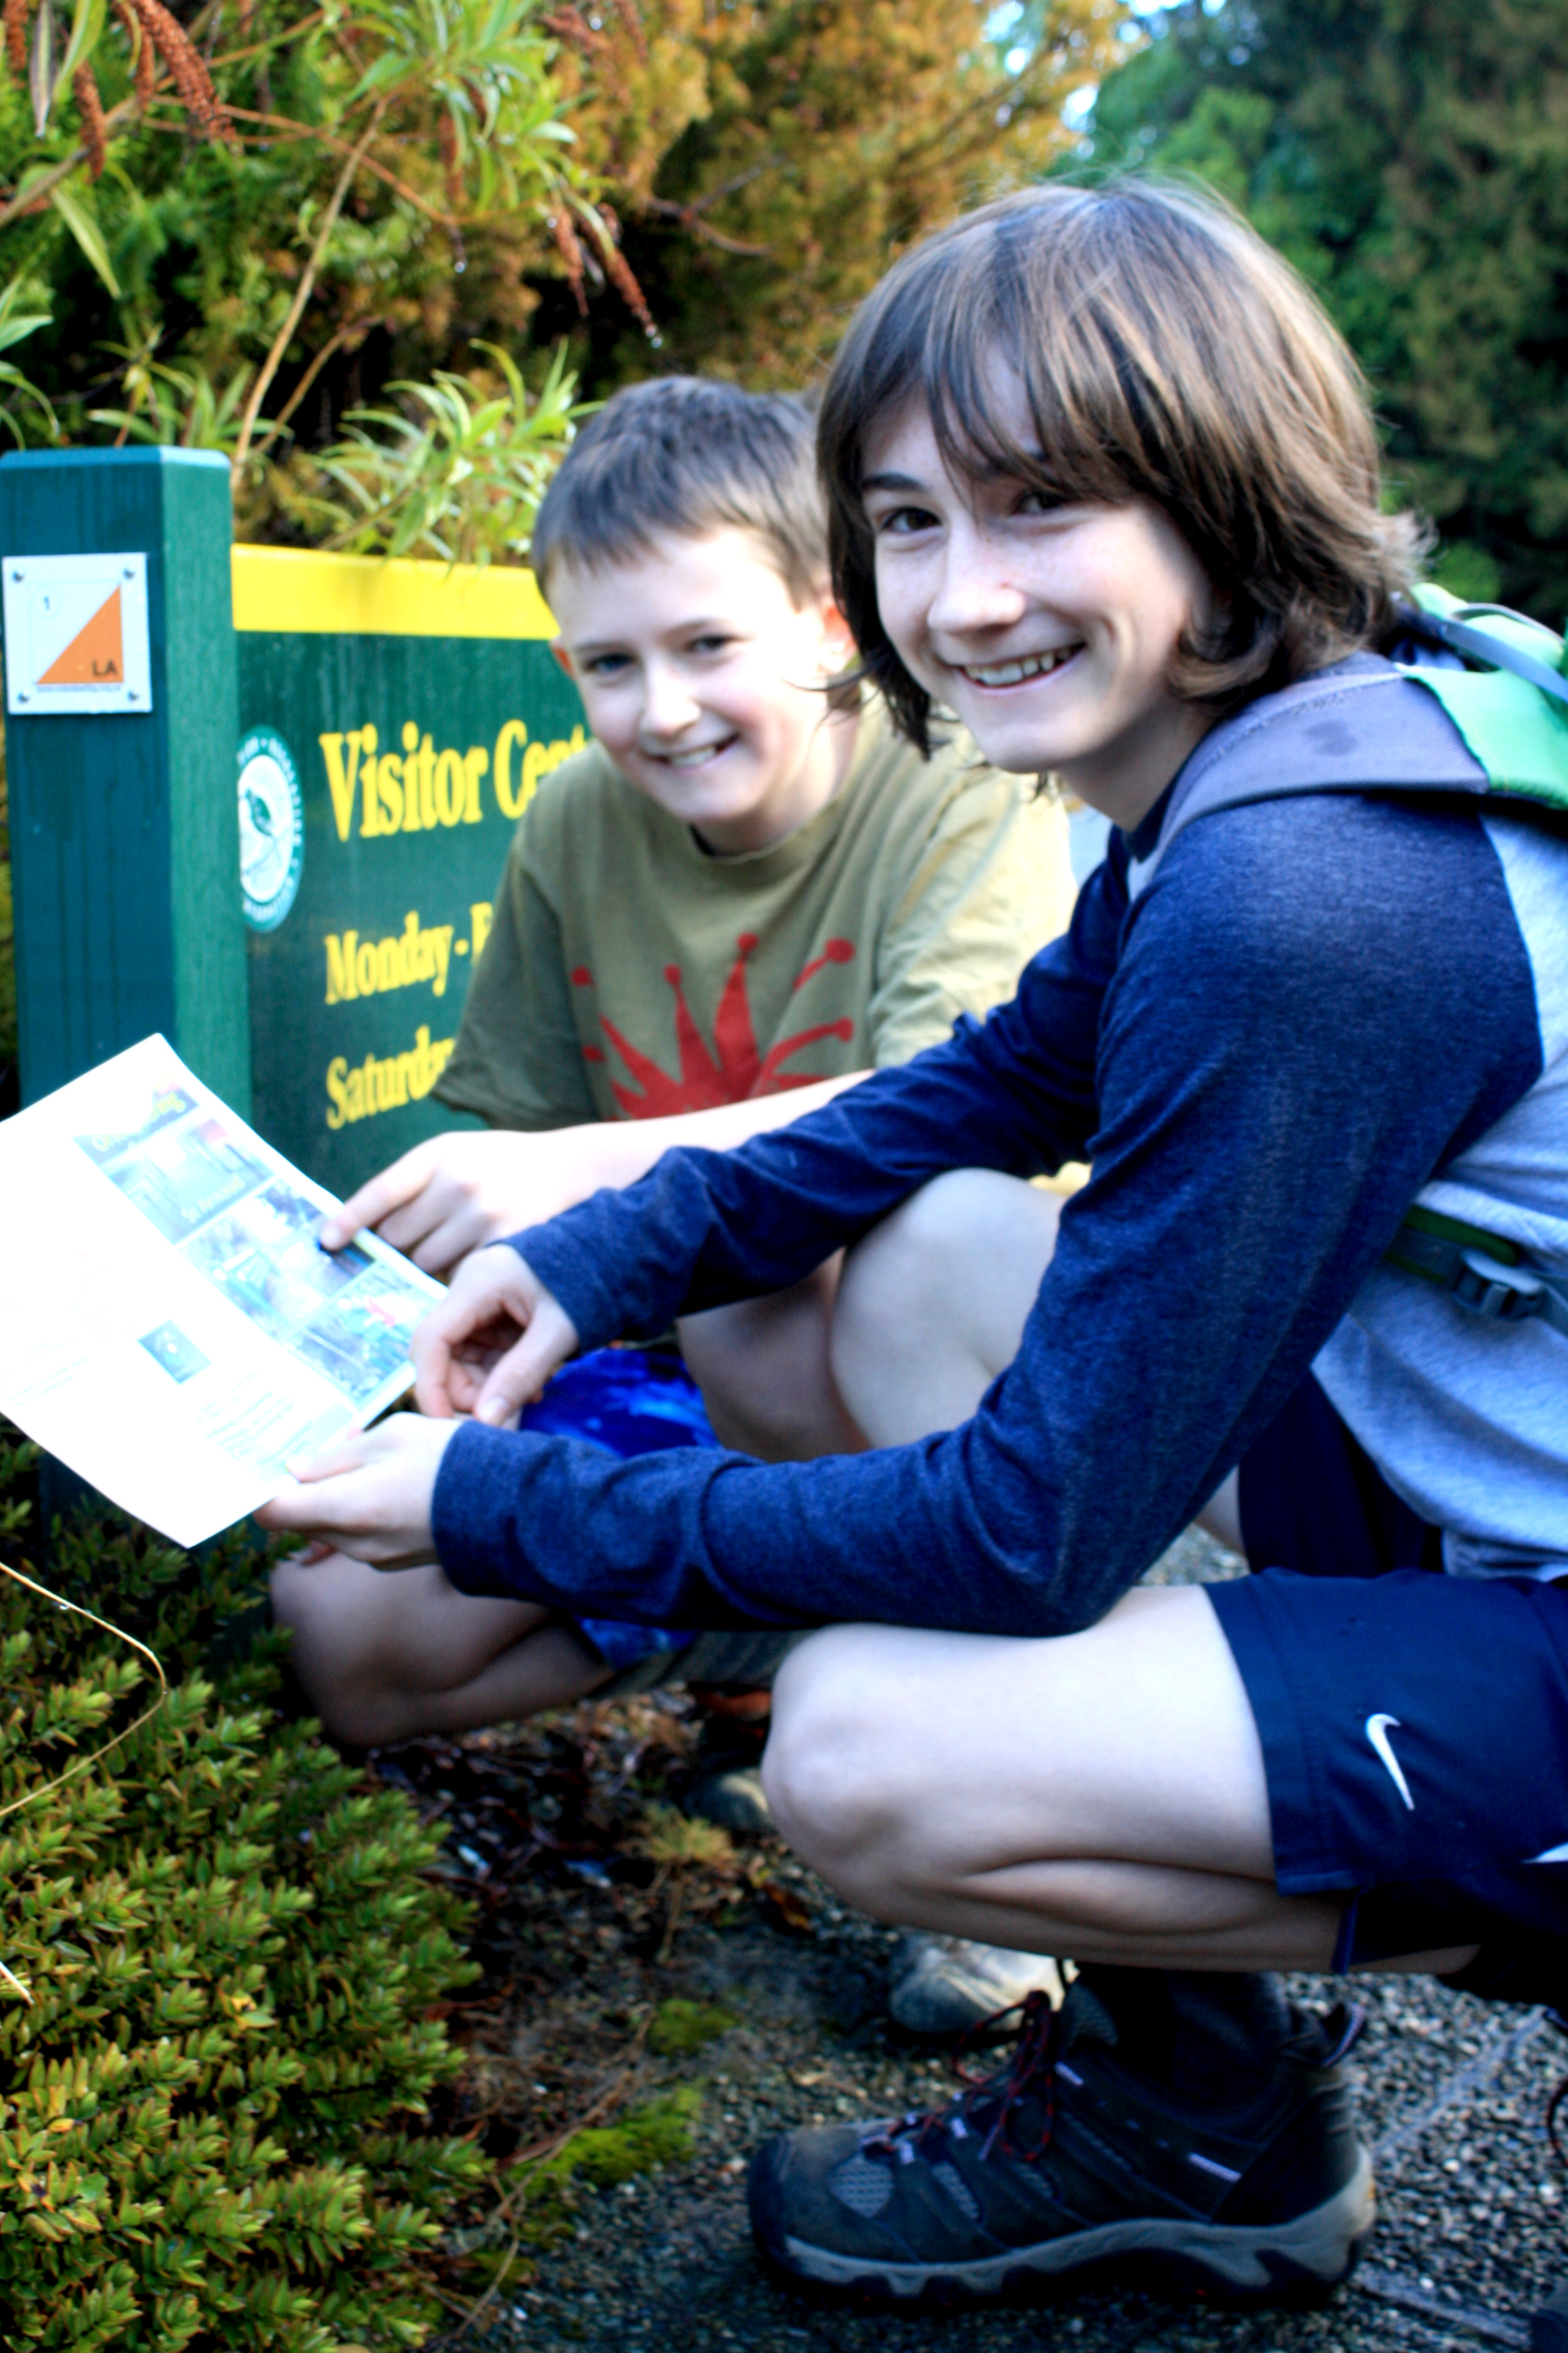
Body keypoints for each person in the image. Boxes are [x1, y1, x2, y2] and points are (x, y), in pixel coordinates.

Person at [261, 177, 1568, 2317]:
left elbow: (1032, 1537)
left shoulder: (1307, 900)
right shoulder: (1275, 764)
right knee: (940, 1249)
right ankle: (1204, 2101)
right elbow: (972, 1098)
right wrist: (612, 1252)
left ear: (1224, 486)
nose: (963, 598)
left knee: (868, 1753)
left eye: (1042, 505)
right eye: (907, 519)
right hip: (1488, 1501)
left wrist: (497, 1499)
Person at [277, 373, 1076, 2033]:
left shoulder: (957, 786)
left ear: (831, 619)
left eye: (706, 646)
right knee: (338, 1635)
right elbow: (518, 1138)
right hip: (684, 1391)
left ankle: (1014, 1757)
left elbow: (958, 1104)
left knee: (763, 1282)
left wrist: (580, 1172)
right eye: (606, 665)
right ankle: (782, 1645)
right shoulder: (580, 822)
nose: (659, 711)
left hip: (934, 1364)